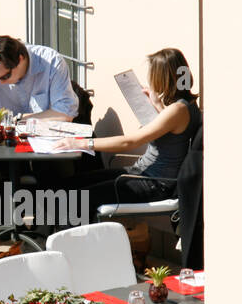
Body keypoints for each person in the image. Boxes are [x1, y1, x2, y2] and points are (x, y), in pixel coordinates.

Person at [52, 47, 200, 219]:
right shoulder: (186, 106)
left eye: (153, 76)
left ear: (163, 78)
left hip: (154, 183)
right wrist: (157, 104)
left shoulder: (178, 110)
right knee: (67, 186)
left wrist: (82, 143)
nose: (150, 80)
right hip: (140, 172)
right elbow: (172, 133)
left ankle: (75, 243)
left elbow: (130, 142)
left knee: (72, 199)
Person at [0, 35, 79, 197]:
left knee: (57, 190)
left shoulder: (50, 62)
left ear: (21, 59)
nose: (0, 82)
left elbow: (65, 113)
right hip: (0, 142)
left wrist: (19, 120)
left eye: (5, 76)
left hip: (45, 140)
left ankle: (47, 222)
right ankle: (7, 223)